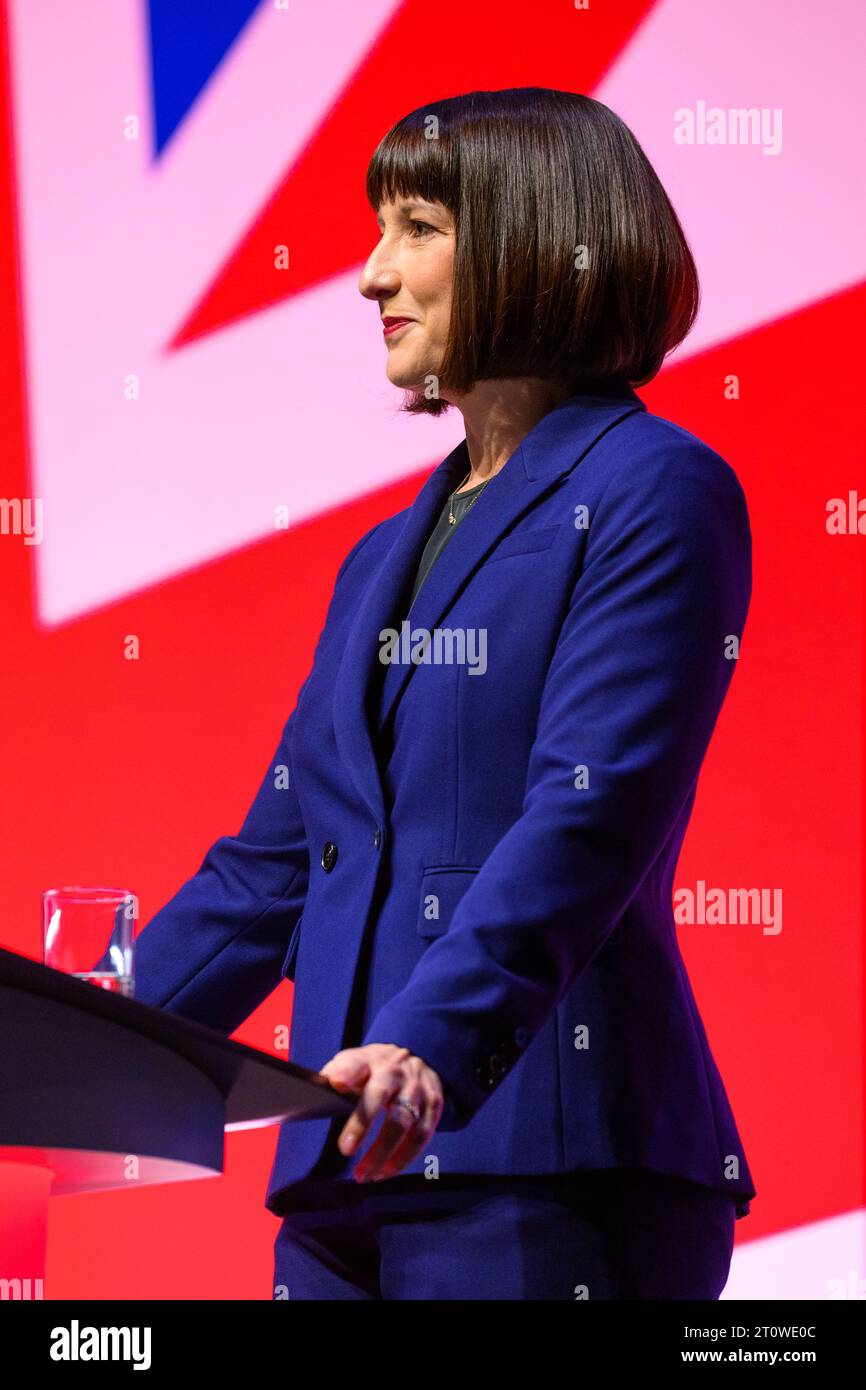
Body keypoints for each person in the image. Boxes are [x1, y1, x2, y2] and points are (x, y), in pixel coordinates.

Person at [134, 88, 757, 1300]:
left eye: (415, 226)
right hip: (344, 1168)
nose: (371, 275)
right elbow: (271, 872)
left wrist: (430, 1040)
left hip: (546, 1168)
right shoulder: (379, 555)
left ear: (537, 235)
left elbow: (589, 817)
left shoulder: (654, 489)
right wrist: (76, 1041)